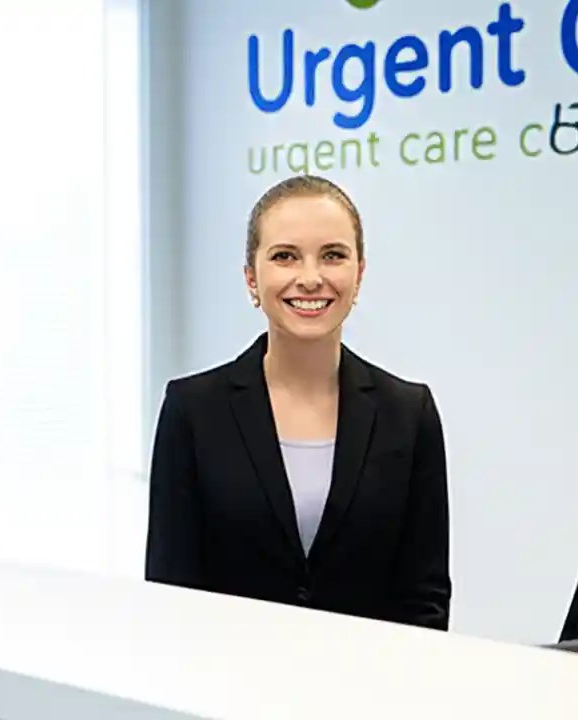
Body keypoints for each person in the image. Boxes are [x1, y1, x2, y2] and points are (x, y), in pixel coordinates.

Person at [145, 174, 451, 630]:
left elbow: (425, 602)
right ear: (252, 277)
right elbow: (171, 594)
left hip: (371, 690)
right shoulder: (192, 410)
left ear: (359, 273)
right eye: (285, 256)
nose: (310, 278)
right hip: (225, 688)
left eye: (333, 255)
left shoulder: (409, 414)